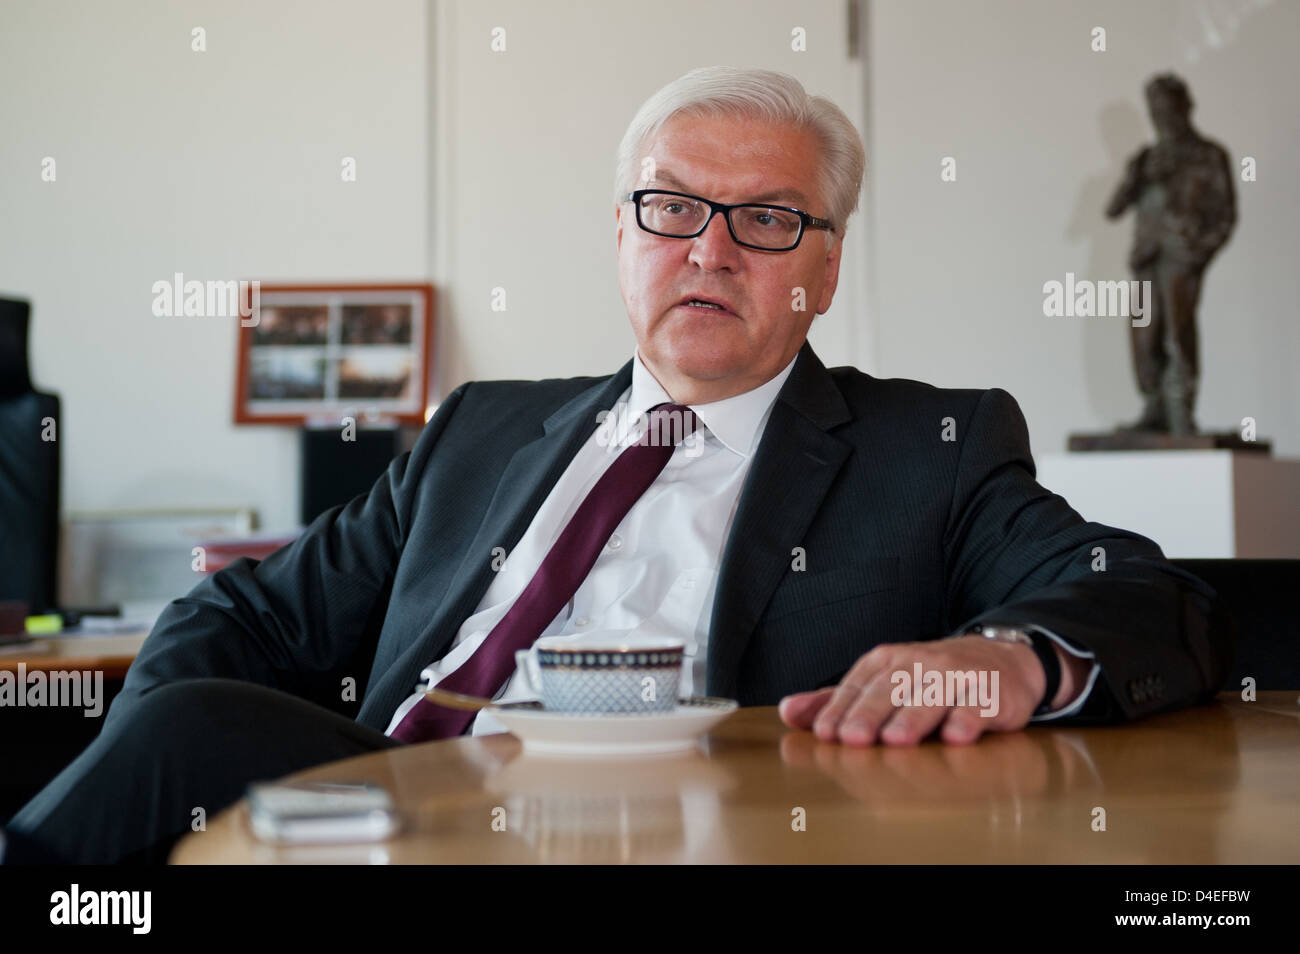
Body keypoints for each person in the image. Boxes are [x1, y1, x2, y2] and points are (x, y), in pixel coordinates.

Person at [3, 66, 1232, 865]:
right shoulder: (481, 431)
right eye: (670, 209)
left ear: (824, 267)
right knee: (187, 723)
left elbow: (1142, 591)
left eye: (765, 220)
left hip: (676, 836)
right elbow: (244, 611)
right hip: (389, 816)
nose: (710, 251)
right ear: (620, 234)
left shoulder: (933, 446)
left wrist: (1000, 658)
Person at [1105, 73, 1236, 435]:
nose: (1162, 117)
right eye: (1155, 111)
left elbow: (1225, 216)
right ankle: (1154, 408)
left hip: (1181, 258)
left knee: (1178, 333)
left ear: (1185, 107)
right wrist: (1137, 177)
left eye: (1167, 108)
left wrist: (1198, 252)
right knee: (1144, 335)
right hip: (1146, 257)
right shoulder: (1146, 159)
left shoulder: (1209, 157)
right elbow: (1113, 209)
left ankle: (1181, 412)